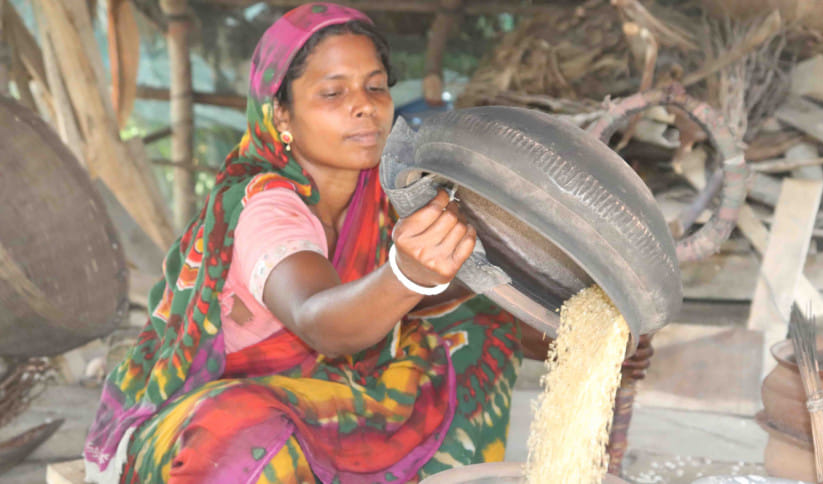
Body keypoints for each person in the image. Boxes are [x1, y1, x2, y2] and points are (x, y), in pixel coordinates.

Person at [83, 3, 523, 483]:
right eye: (333, 92)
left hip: (321, 387)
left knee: (473, 332)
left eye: (376, 86)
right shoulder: (263, 208)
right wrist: (406, 274)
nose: (365, 105)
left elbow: (453, 293)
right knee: (245, 429)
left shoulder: (383, 193)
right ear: (281, 115)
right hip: (207, 413)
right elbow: (319, 321)